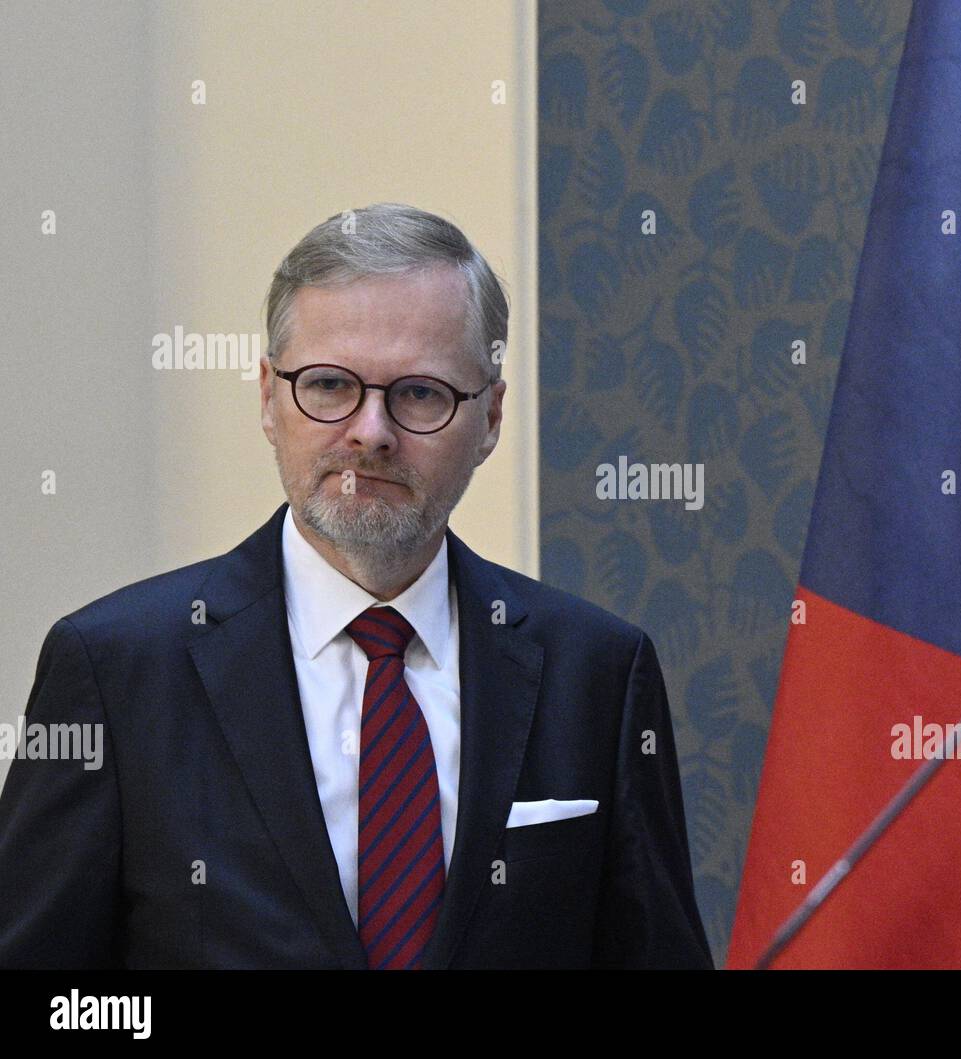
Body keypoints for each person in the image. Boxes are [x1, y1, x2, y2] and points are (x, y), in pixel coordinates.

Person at [0, 203, 713, 969]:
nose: (370, 431)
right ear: (269, 398)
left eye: (419, 393)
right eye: (331, 384)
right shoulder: (115, 672)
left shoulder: (599, 672)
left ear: (492, 417)